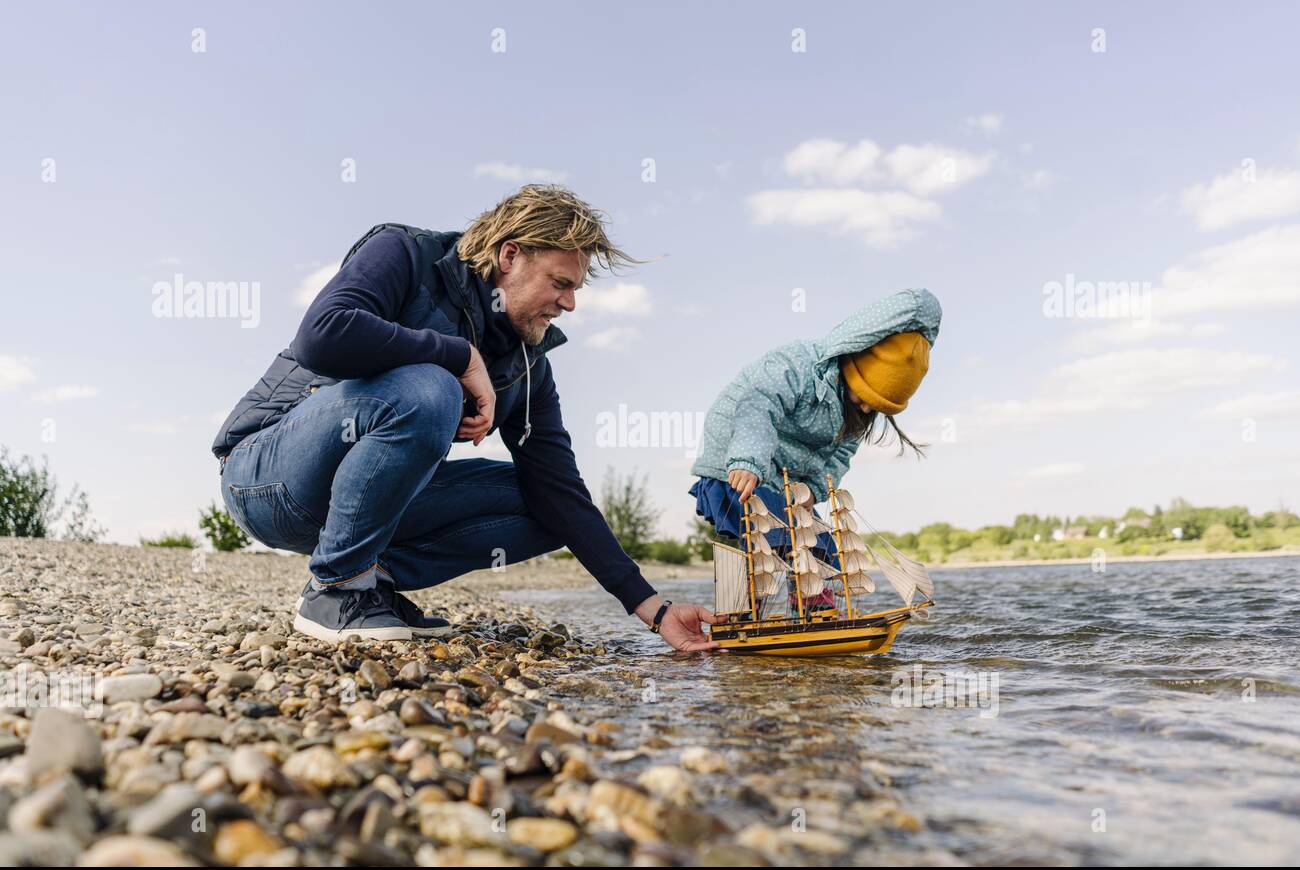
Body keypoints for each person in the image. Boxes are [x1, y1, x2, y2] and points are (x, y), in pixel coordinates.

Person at [211, 185, 717, 651]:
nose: (570, 303)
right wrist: (457, 356)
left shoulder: (526, 364)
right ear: (510, 255)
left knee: (548, 505)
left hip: (361, 509)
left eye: (575, 288)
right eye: (560, 283)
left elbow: (561, 490)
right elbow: (322, 335)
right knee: (431, 388)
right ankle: (335, 589)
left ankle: (371, 581)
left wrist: (655, 610)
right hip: (267, 476)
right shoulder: (405, 253)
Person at [688, 289, 942, 611]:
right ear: (852, 361)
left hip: (784, 480)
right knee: (780, 541)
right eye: (861, 395)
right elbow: (757, 404)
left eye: (874, 407)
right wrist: (747, 460)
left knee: (819, 547)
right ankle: (747, 614)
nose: (864, 406)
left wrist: (814, 490)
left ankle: (812, 616)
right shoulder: (798, 365)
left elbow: (837, 458)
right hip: (736, 460)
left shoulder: (855, 416)